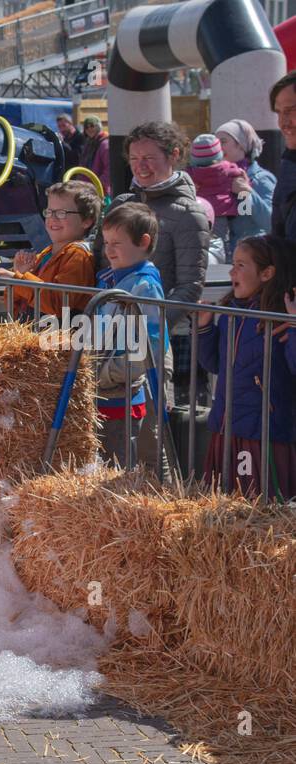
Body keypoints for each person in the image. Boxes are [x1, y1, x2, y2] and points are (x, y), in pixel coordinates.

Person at [104, 120, 210, 456]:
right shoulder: (122, 201)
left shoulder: (188, 213)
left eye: (149, 157)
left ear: (174, 155)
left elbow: (191, 285)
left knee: (149, 428)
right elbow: (101, 264)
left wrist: (152, 323)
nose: (141, 166)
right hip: (109, 329)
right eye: (134, 159)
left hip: (156, 339)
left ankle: (154, 488)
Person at [195, 233, 296, 497]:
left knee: (257, 505)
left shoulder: (281, 318)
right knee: (225, 502)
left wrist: (295, 327)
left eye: (241, 265)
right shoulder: (231, 313)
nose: (231, 271)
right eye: (233, 263)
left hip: (263, 434)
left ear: (267, 273)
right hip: (227, 428)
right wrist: (204, 327)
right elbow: (214, 364)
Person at [92, 203, 168, 469]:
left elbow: (153, 345)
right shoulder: (111, 279)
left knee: (117, 469)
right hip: (103, 389)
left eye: (117, 243)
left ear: (143, 242)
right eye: (106, 242)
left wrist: (109, 372)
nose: (108, 250)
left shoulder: (144, 286)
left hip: (122, 393)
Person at [0, 180, 99, 319]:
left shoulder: (78, 256)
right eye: (49, 212)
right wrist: (21, 273)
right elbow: (13, 307)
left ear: (86, 220)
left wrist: (16, 278)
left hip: (57, 338)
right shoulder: (46, 254)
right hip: (33, 334)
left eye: (61, 213)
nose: (52, 218)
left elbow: (58, 304)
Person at [215, 119, 276, 251]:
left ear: (241, 145)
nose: (218, 147)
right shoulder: (219, 179)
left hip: (253, 258)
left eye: (223, 141)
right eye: (215, 142)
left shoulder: (261, 179)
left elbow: (271, 224)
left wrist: (247, 193)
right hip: (227, 258)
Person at [186, 133, 250, 254]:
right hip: (222, 213)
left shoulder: (191, 173)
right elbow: (242, 185)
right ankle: (224, 260)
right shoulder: (227, 169)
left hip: (199, 212)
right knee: (221, 241)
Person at [270, 69, 296, 242]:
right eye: (278, 112)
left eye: (290, 110)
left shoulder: (256, 178)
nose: (282, 122)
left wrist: (246, 195)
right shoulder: (289, 161)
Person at [80, 115, 111, 195]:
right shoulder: (88, 143)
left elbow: (109, 169)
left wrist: (97, 184)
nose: (89, 129)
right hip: (87, 189)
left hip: (100, 191)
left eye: (92, 126)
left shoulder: (105, 144)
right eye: (86, 127)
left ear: (98, 126)